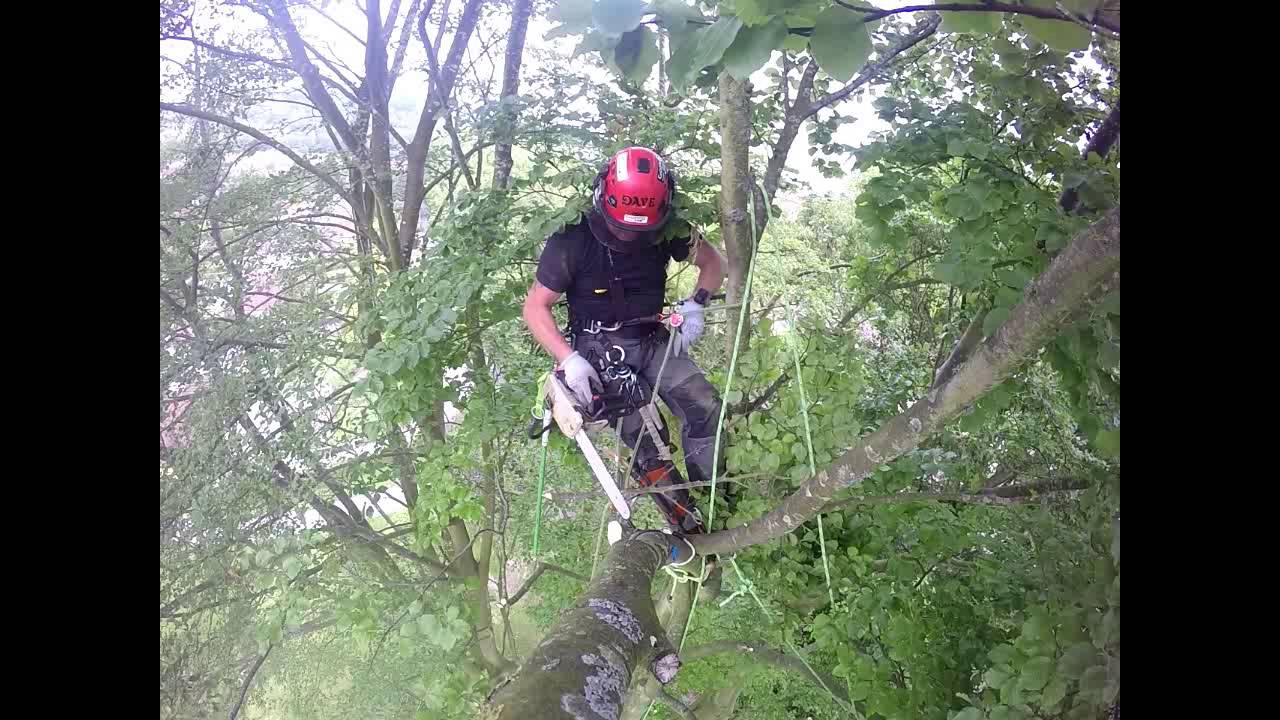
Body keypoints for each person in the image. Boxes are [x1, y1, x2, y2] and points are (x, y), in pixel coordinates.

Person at [522, 146, 727, 535]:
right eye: (620, 227)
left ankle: (721, 498)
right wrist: (568, 358)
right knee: (648, 444)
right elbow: (536, 307)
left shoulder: (667, 229)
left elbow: (714, 263)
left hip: (652, 337)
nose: (629, 235)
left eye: (639, 229)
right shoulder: (572, 240)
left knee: (705, 406)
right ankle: (691, 527)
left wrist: (697, 303)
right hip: (598, 349)